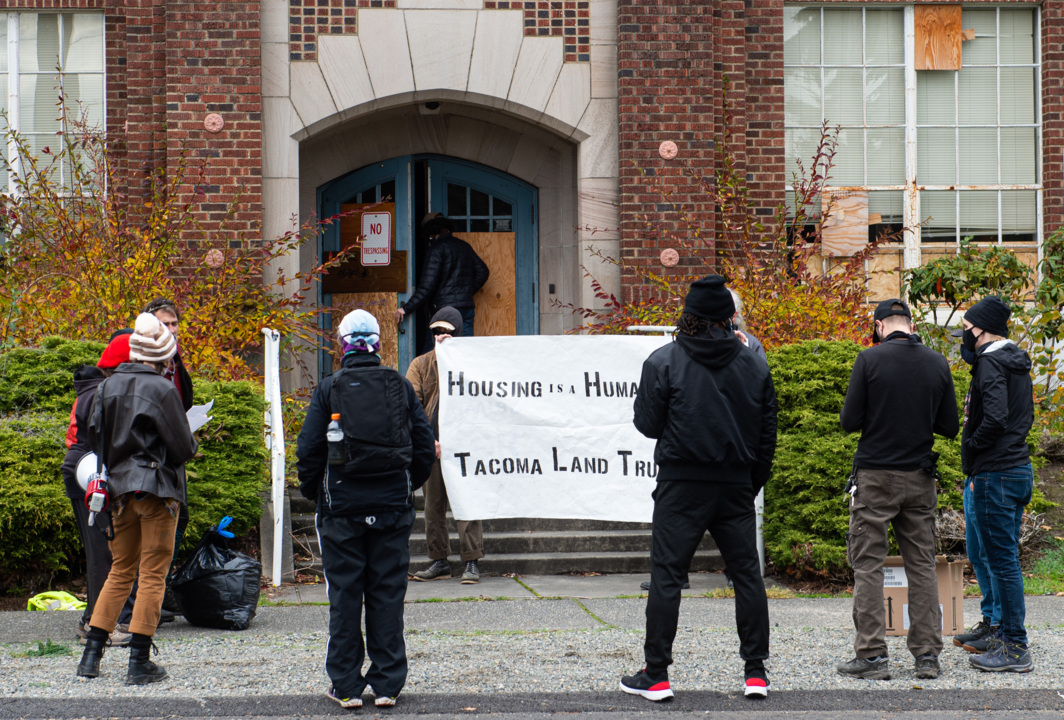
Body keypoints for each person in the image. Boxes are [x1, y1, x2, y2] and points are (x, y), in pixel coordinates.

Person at [621, 275, 778, 701]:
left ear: (687, 316)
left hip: (682, 482)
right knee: (746, 576)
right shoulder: (754, 364)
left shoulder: (664, 360)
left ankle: (656, 673)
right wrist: (750, 484)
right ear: (730, 318)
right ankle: (755, 672)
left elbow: (647, 424)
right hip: (735, 483)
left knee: (667, 576)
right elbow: (767, 435)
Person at [297, 309, 435, 708]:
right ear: (377, 343)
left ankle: (345, 685)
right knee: (387, 593)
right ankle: (388, 684)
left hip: (341, 508)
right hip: (391, 506)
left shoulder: (329, 388)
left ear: (343, 344)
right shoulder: (399, 385)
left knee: (344, 596)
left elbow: (309, 449)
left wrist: (316, 492)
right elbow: (423, 447)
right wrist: (406, 486)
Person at [836, 299, 959, 681]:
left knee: (868, 565)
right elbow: (950, 426)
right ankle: (927, 656)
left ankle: (872, 656)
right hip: (919, 476)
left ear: (879, 327)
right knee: (921, 565)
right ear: (911, 325)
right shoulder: (937, 362)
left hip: (875, 475)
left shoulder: (869, 360)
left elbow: (848, 421)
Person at [76, 313, 198, 684]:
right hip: (157, 490)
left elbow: (94, 437)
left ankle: (91, 656)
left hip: (117, 493)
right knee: (153, 574)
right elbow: (184, 448)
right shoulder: (163, 389)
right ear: (163, 355)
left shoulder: (107, 387)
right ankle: (139, 661)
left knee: (120, 571)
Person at [953, 296, 1035, 673]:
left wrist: (972, 446)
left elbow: (996, 418)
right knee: (997, 557)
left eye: (966, 329)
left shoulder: (990, 362)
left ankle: (1014, 646)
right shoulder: (1014, 362)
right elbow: (1022, 418)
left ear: (981, 330)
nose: (964, 336)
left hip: (996, 473)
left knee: (1002, 563)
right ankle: (999, 631)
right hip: (1015, 470)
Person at [61, 332, 135, 648]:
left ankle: (91, 622)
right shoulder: (100, 393)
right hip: (89, 477)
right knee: (102, 553)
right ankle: (97, 626)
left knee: (103, 551)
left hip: (87, 474)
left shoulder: (98, 389)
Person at [408, 307, 486, 584]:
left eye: (447, 331)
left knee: (467, 503)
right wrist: (428, 440)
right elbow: (412, 405)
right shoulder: (420, 364)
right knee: (433, 507)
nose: (441, 336)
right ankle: (439, 559)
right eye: (436, 331)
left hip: (465, 446)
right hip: (433, 447)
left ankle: (471, 560)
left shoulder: (472, 363)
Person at [143, 297, 193, 619]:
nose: (172, 330)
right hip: (149, 457)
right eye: (165, 324)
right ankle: (146, 602)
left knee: (179, 519)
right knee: (153, 526)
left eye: (174, 324)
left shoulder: (175, 362)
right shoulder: (142, 364)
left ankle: (158, 591)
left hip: (173, 453)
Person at [394, 213, 489, 339]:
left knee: (438, 348)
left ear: (431, 233)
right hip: (466, 308)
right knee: (465, 347)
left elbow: (426, 287)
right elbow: (483, 272)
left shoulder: (436, 249)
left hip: (444, 311)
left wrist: (405, 309)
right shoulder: (464, 246)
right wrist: (466, 292)